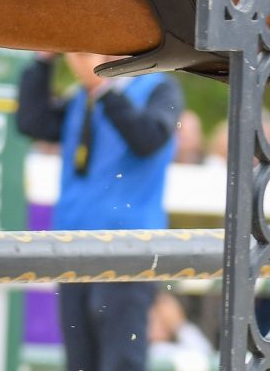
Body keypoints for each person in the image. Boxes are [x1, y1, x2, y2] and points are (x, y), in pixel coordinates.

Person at [18, 53, 182, 371]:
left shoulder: (162, 87)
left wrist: (102, 88)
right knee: (79, 363)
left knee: (122, 362)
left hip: (130, 250)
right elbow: (32, 121)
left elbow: (148, 138)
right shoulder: (81, 96)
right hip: (73, 247)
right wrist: (43, 61)